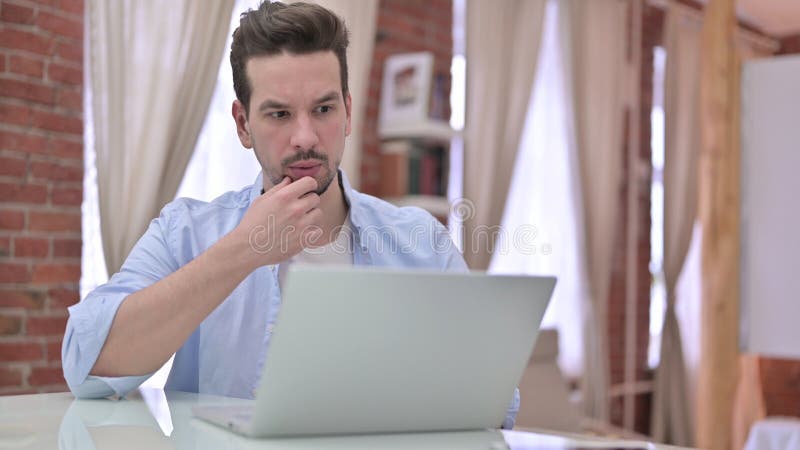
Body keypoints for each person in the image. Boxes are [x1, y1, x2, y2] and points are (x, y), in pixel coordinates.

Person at [62, 1, 519, 429]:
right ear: (243, 125)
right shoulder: (186, 230)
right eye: (279, 114)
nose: (305, 137)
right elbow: (85, 367)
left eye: (323, 109)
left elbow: (498, 404)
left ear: (348, 113)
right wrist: (242, 250)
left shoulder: (420, 241)